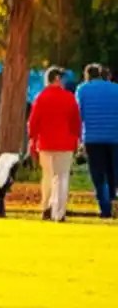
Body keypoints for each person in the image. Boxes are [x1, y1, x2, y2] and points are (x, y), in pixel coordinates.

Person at [28, 66, 82, 222]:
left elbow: (33, 122)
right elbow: (76, 122)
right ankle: (59, 212)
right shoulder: (69, 98)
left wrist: (33, 139)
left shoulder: (41, 98)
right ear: (57, 79)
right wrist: (76, 138)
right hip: (65, 143)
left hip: (45, 143)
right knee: (62, 177)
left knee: (48, 176)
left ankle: (46, 207)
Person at [76, 63, 118, 218]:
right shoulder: (116, 89)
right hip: (115, 138)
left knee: (98, 175)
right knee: (114, 172)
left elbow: (79, 115)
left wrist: (79, 140)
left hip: (93, 138)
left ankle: (105, 209)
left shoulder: (83, 90)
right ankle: (114, 202)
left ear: (87, 76)